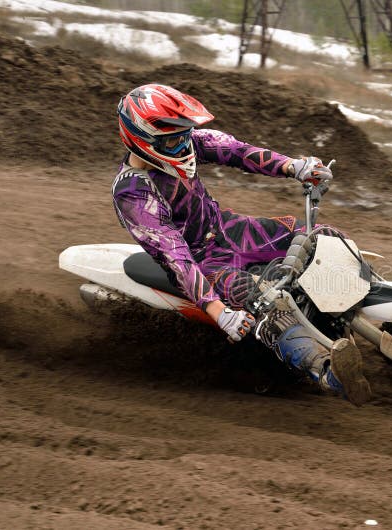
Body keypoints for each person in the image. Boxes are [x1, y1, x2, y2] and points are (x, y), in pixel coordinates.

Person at [112, 84, 371, 406]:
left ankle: (350, 310)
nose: (183, 144)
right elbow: (176, 257)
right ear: (143, 138)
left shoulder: (189, 144)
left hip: (231, 230)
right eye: (174, 139)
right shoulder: (134, 193)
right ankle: (327, 372)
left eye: (185, 134)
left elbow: (235, 150)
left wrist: (294, 166)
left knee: (325, 236)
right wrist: (221, 314)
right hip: (205, 262)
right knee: (267, 304)